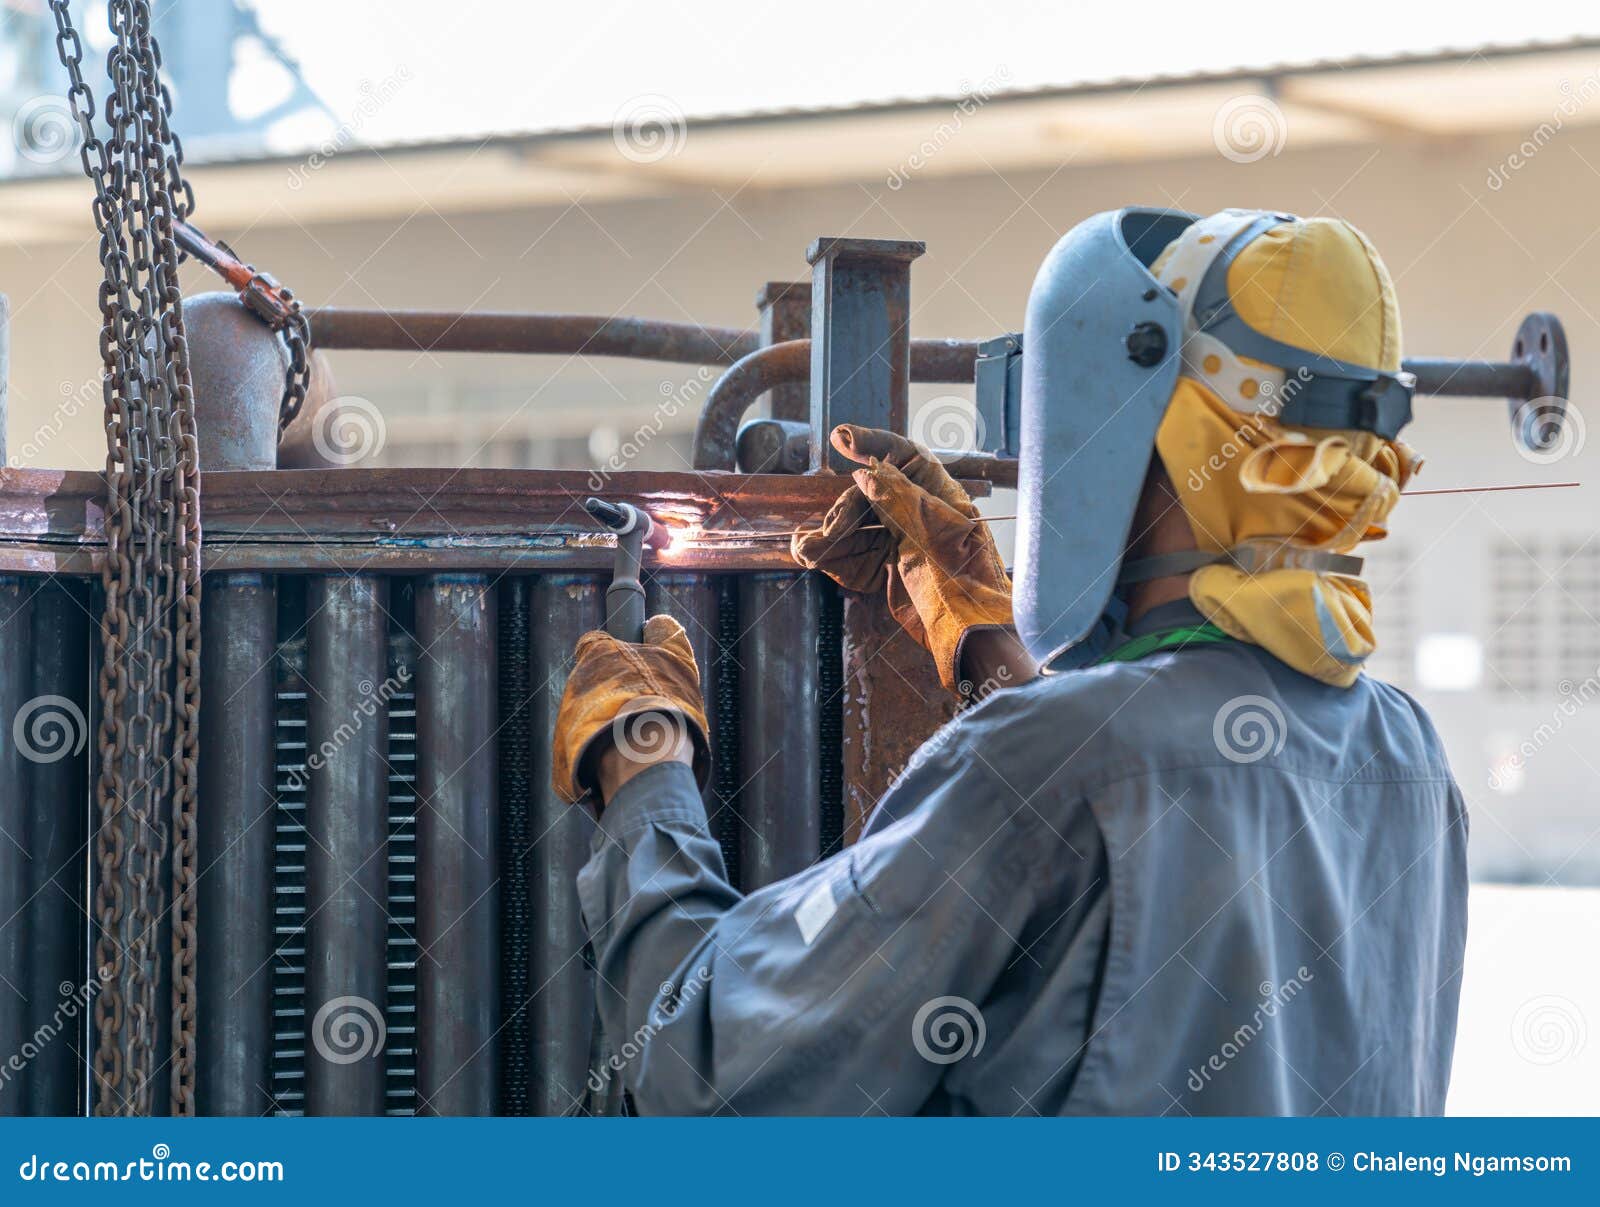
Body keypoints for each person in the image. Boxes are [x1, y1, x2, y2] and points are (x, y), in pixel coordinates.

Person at [551, 207, 1467, 1115]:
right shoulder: (1412, 761)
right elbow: (1124, 908)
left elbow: (714, 1066)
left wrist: (646, 772)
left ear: (1137, 423)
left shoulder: (1051, 762)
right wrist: (983, 637)